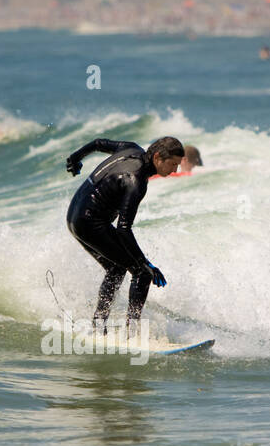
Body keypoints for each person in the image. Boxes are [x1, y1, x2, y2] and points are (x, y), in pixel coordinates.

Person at [64, 135, 185, 334]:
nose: (175, 170)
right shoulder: (136, 181)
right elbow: (123, 229)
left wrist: (75, 158)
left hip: (74, 217)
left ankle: (99, 324)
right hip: (89, 223)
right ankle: (132, 331)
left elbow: (98, 143)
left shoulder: (131, 148)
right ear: (157, 158)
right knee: (142, 273)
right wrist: (145, 263)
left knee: (116, 268)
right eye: (172, 164)